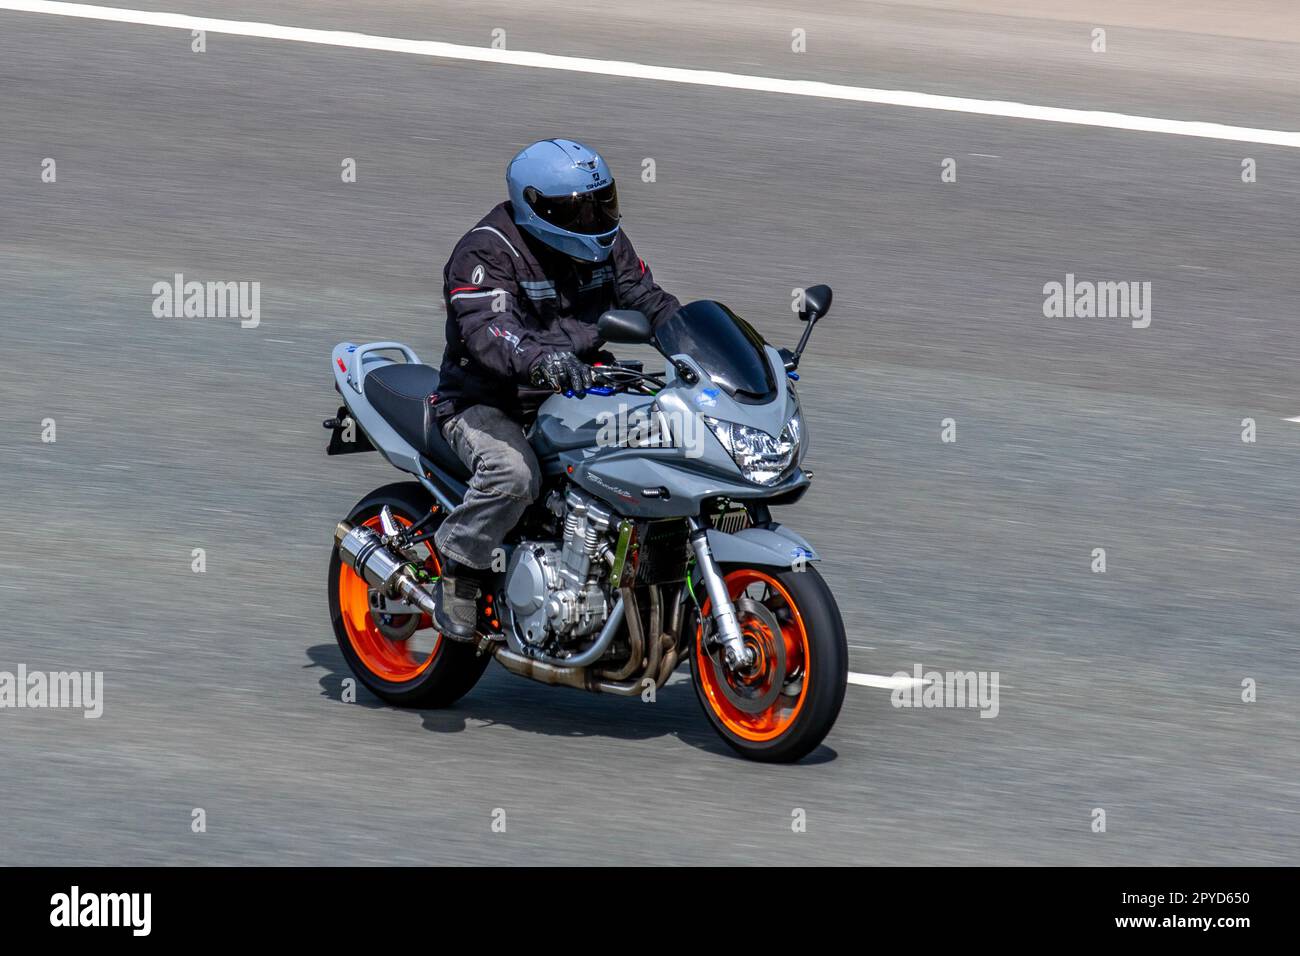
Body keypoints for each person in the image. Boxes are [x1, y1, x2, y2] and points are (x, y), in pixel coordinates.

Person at [430, 138, 681, 640]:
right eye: (577, 209)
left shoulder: (608, 243)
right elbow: (491, 331)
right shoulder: (485, 252)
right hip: (488, 398)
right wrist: (541, 362)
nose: (594, 219)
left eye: (600, 202)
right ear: (534, 206)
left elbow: (649, 301)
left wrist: (715, 349)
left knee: (668, 443)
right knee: (513, 476)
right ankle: (459, 569)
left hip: (580, 385)